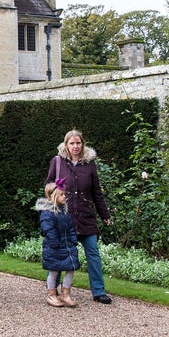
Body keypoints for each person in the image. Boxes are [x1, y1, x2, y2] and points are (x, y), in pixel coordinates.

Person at [44, 129, 113, 304]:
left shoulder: (89, 164)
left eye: (78, 143)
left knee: (93, 253)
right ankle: (54, 292)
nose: (75, 146)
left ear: (83, 144)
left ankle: (98, 291)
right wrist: (57, 190)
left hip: (85, 216)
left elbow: (96, 192)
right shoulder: (58, 162)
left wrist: (104, 214)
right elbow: (48, 186)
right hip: (64, 218)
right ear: (66, 144)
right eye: (72, 143)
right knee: (60, 253)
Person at [37, 179, 80, 307]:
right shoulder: (47, 213)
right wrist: (54, 242)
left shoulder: (64, 212)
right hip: (55, 247)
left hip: (67, 246)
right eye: (61, 194)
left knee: (71, 269)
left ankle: (65, 293)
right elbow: (48, 229)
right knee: (54, 271)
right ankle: (51, 294)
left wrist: (73, 240)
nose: (64, 196)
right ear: (53, 196)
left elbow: (70, 227)